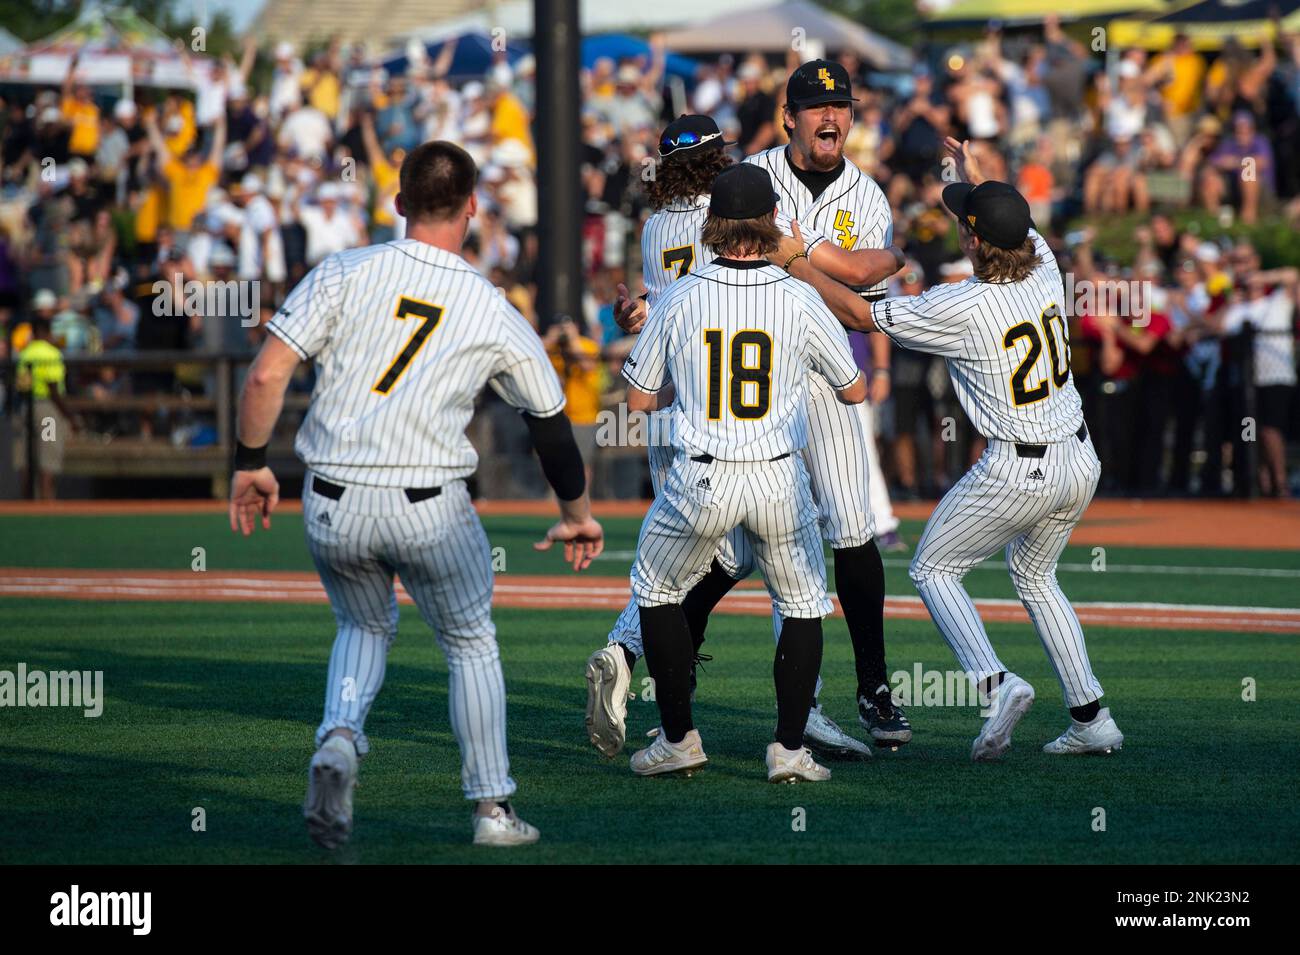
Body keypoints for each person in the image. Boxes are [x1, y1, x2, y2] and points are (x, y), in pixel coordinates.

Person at [228, 140, 604, 848]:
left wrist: (251, 463)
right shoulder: (490, 305)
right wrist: (576, 514)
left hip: (333, 497)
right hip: (430, 502)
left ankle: (339, 738)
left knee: (363, 626)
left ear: (398, 202)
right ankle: (492, 811)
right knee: (468, 642)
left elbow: (264, 376)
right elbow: (551, 426)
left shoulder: (342, 270)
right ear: (472, 208)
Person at [775, 138, 1123, 760]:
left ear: (971, 241)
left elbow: (859, 314)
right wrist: (980, 175)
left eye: (966, 220)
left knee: (933, 568)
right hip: (1079, 455)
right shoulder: (1043, 262)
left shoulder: (959, 304)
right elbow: (1019, 224)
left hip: (1019, 467)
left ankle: (996, 684)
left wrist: (798, 259)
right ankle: (1091, 717)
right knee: (1037, 577)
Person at [587, 113, 905, 763]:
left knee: (699, 563)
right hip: (749, 424)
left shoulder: (655, 228)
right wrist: (886, 263)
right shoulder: (742, 201)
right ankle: (785, 725)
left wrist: (634, 316)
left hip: (678, 413)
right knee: (757, 565)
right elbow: (807, 281)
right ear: (720, 158)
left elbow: (660, 317)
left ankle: (659, 694)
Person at [15, 313, 78, 500]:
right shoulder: (51, 353)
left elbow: (22, 385)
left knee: (26, 459)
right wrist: (69, 416)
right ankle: (46, 504)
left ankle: (27, 505)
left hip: (25, 408)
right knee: (47, 459)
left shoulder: (25, 353)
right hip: (47, 410)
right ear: (46, 331)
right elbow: (52, 387)